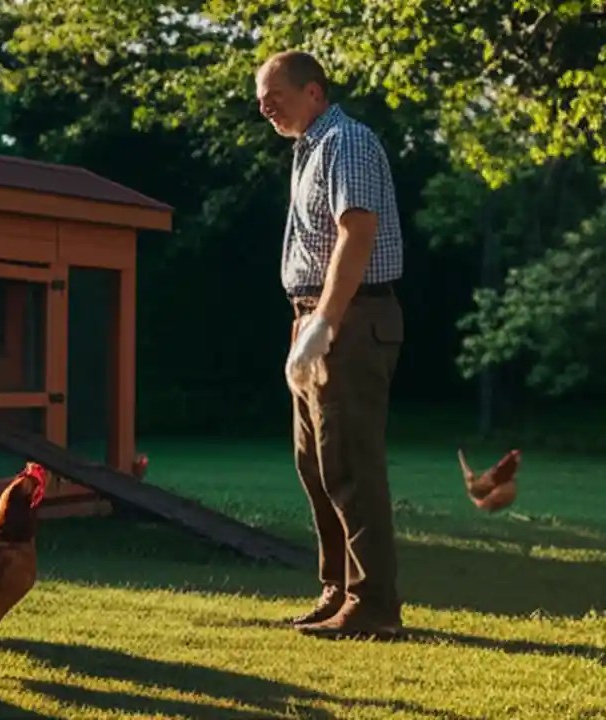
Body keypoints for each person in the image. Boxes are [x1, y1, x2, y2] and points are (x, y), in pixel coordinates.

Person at [255, 50, 405, 639]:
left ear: (314, 92)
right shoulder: (310, 149)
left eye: (275, 96)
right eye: (261, 99)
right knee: (315, 464)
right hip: (316, 317)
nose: (264, 107)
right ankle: (340, 589)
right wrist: (308, 323)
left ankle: (374, 607)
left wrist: (324, 323)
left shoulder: (347, 141)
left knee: (350, 463)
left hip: (349, 318)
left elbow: (357, 232)